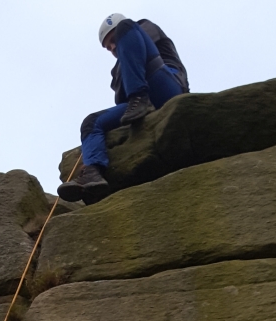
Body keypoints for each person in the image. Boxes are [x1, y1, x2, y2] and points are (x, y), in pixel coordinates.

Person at [58, 13, 190, 204]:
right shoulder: (118, 70)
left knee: (126, 30)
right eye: (109, 48)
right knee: (91, 122)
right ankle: (93, 174)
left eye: (112, 41)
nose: (113, 48)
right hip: (139, 104)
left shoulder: (141, 28)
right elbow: (119, 99)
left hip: (166, 86)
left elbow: (133, 43)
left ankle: (139, 96)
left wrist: (132, 88)